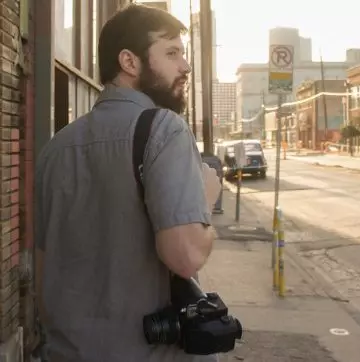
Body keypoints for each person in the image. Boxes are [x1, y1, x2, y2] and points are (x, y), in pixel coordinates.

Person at [35, 4, 221, 362]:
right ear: (129, 62)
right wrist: (205, 198)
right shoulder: (164, 129)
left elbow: (45, 283)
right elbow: (186, 256)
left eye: (182, 54)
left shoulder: (55, 148)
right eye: (171, 53)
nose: (185, 66)